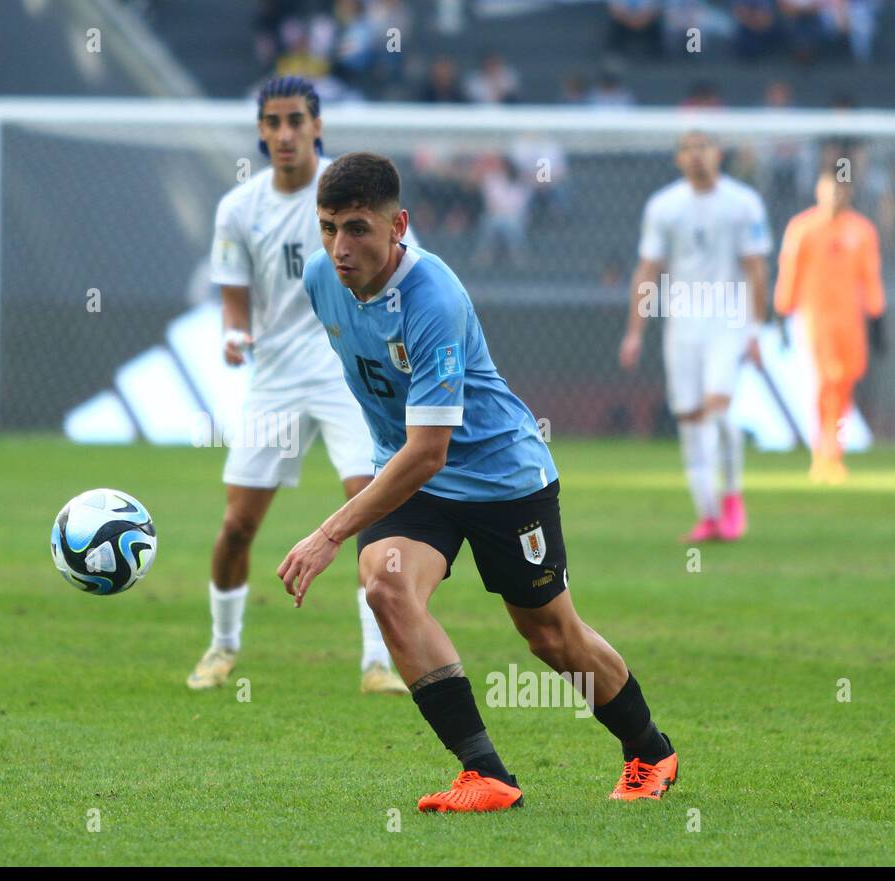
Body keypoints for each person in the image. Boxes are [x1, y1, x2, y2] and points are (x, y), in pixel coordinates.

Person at [279, 152, 678, 812]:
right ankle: (486, 773)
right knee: (385, 584)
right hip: (413, 482)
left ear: (397, 224)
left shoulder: (433, 295)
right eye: (327, 228)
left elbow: (431, 449)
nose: (340, 247)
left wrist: (328, 532)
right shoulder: (322, 280)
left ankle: (650, 749)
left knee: (552, 637)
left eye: (356, 228)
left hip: (500, 478)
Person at [188, 77, 411, 695]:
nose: (284, 133)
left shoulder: (350, 195)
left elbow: (401, 273)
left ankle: (377, 662)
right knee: (238, 524)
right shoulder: (239, 209)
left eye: (296, 120)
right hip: (277, 380)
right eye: (273, 122)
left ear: (317, 125)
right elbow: (236, 302)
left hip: (351, 375)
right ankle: (223, 645)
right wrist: (234, 335)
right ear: (260, 131)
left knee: (373, 510)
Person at [620, 131, 771, 542]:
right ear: (678, 159)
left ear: (718, 153)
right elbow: (647, 269)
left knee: (717, 410)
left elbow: (756, 268)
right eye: (688, 148)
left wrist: (756, 329)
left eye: (704, 146)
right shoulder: (664, 206)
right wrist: (635, 331)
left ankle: (732, 498)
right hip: (682, 324)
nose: (697, 155)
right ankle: (707, 514)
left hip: (728, 320)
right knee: (689, 419)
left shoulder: (743, 203)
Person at [774, 168, 885, 484]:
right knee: (824, 385)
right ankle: (823, 453)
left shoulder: (861, 231)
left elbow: (870, 277)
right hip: (816, 321)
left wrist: (877, 318)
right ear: (818, 190)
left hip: (851, 323)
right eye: (830, 188)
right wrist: (782, 312)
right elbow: (789, 273)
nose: (836, 195)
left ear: (848, 192)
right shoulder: (804, 229)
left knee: (844, 386)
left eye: (841, 188)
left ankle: (833, 450)